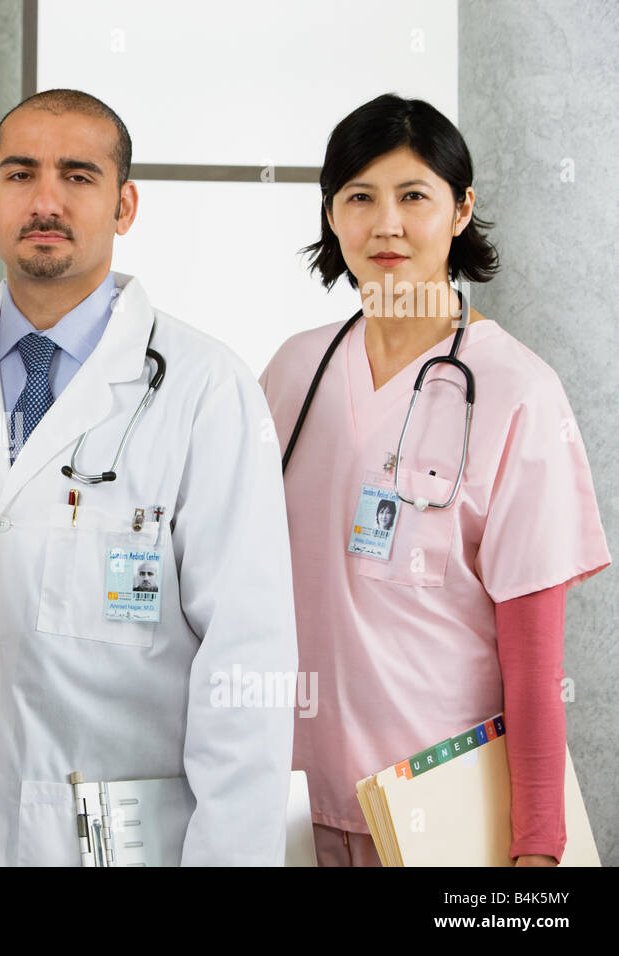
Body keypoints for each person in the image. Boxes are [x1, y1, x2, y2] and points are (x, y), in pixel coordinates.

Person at [0, 89, 297, 866]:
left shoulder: (207, 391)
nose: (46, 201)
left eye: (78, 176)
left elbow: (247, 662)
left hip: (122, 840)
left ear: (124, 205)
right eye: (21, 174)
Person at [260, 94, 610, 867]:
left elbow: (533, 654)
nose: (386, 223)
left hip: (441, 810)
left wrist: (539, 849)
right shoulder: (293, 371)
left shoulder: (517, 389)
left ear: (461, 211)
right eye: (359, 197)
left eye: (414, 195)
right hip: (290, 802)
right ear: (331, 215)